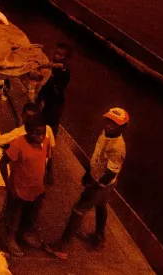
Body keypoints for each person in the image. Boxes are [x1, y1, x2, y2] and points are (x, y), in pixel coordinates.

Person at [45, 108, 129, 259]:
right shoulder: (106, 133)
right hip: (100, 181)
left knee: (78, 211)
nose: (110, 124)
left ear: (123, 127)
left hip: (101, 185)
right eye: (109, 120)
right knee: (101, 207)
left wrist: (93, 187)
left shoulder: (118, 148)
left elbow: (111, 173)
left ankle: (62, 248)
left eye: (115, 123)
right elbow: (98, 156)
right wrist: (89, 173)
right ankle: (99, 238)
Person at [0, 113, 51, 256]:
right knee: (14, 215)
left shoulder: (45, 142)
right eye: (37, 133)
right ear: (28, 131)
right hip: (19, 188)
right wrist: (9, 185)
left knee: (31, 214)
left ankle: (25, 234)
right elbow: (2, 162)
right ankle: (9, 238)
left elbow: (45, 161)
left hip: (36, 189)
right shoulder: (18, 145)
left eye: (43, 133)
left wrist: (45, 181)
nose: (40, 137)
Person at [37, 43, 72, 182]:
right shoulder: (52, 68)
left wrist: (49, 73)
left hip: (55, 106)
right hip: (47, 102)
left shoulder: (64, 71)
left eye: (61, 55)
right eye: (56, 53)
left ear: (66, 58)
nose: (57, 57)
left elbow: (56, 89)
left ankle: (49, 169)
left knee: (49, 138)